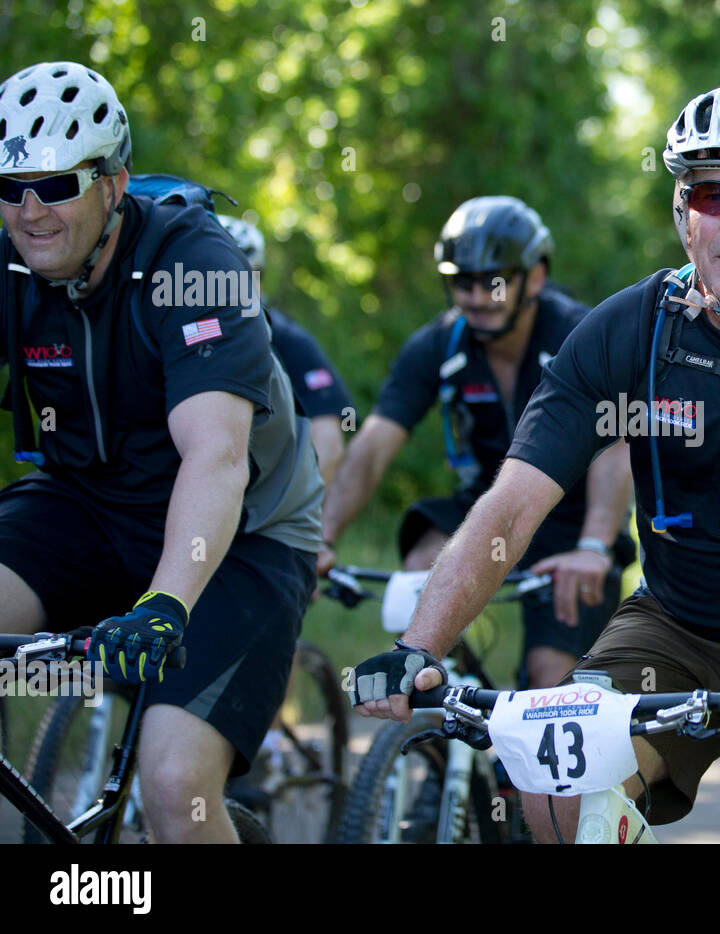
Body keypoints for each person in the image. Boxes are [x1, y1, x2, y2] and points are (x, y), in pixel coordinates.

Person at [350, 79, 720, 844]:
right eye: (709, 195)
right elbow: (511, 506)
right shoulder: (630, 328)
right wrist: (419, 647)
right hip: (677, 622)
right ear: (682, 214)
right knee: (554, 792)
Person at [0, 61, 322, 842]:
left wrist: (164, 604)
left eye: (57, 184)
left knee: (177, 786)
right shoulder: (11, 265)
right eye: (11, 187)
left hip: (243, 531)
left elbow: (216, 455)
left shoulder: (196, 266)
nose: (31, 211)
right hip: (86, 504)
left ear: (115, 183)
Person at [319, 196, 633, 689]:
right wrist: (322, 537)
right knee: (422, 558)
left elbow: (618, 444)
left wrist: (595, 544)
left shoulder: (581, 332)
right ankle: (444, 720)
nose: (477, 296)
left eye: (494, 280)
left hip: (574, 521)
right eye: (461, 282)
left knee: (549, 678)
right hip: (484, 506)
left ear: (534, 277)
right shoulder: (437, 345)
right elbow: (374, 445)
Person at [217, 214, 353, 485]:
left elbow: (329, 442)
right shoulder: (165, 332)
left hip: (263, 496)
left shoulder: (287, 338)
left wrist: (287, 506)